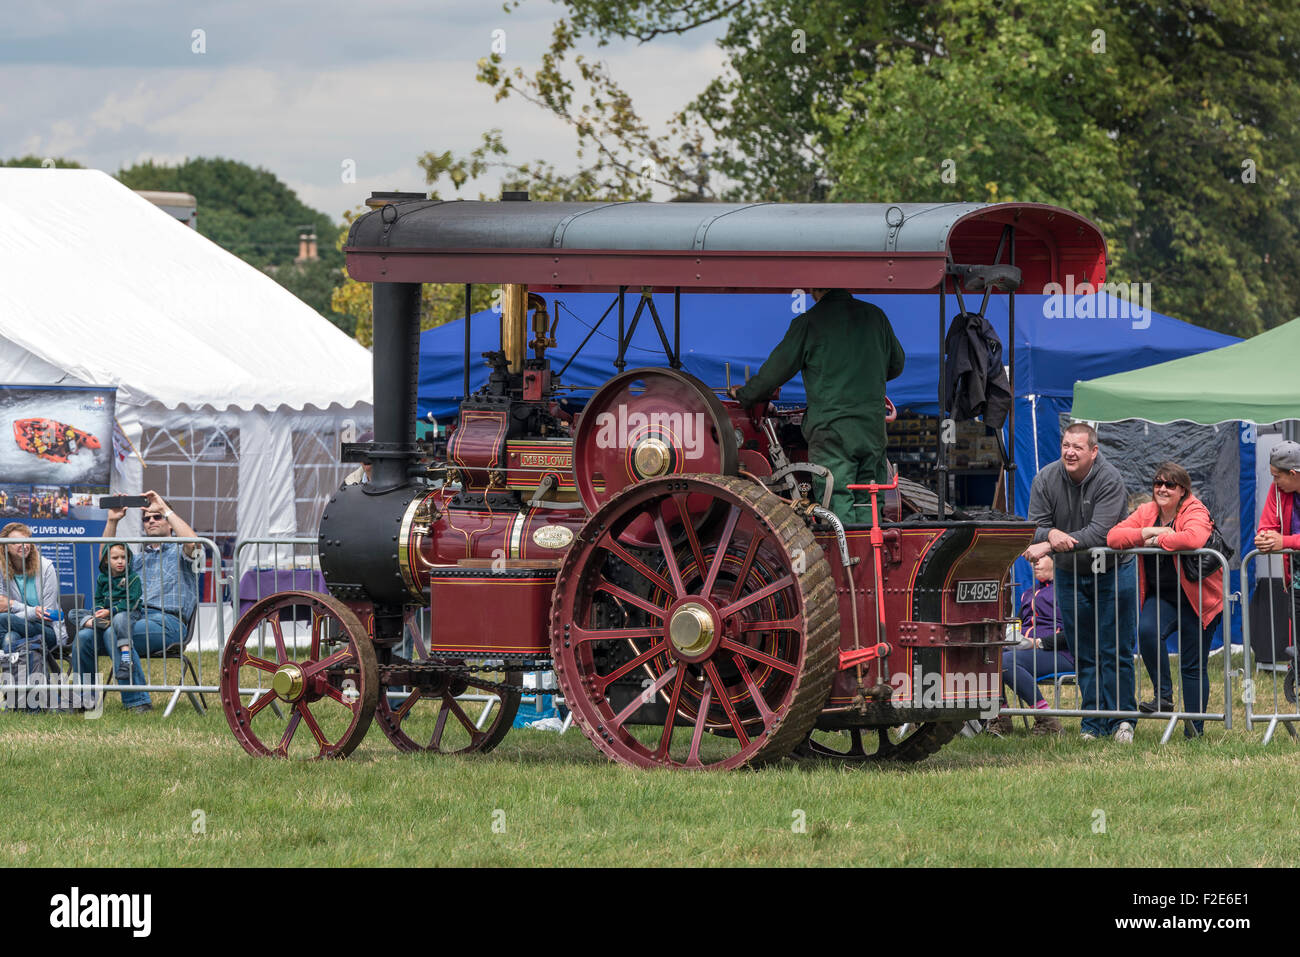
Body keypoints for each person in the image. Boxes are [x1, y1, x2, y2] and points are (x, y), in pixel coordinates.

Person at [727, 288, 904, 524]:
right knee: (869, 497)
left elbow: (773, 375)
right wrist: (864, 379)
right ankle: (871, 555)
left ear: (814, 288)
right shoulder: (876, 316)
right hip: (871, 429)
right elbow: (897, 364)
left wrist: (746, 394)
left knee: (838, 497)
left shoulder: (808, 322)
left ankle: (848, 559)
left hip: (832, 430)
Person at [1023, 423, 1136, 742]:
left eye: (1078, 447)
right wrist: (1049, 535)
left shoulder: (1110, 479)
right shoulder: (1045, 478)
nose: (1070, 452)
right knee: (1084, 650)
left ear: (1094, 451)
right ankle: (1092, 723)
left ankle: (1122, 721)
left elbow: (1101, 533)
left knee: (1115, 649)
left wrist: (1049, 543)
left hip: (1115, 571)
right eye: (1066, 445)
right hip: (1072, 573)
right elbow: (1035, 526)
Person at [1107, 461, 1224, 738]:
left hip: (1199, 599)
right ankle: (1164, 695)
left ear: (1182, 490)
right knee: (1147, 631)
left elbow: (1194, 537)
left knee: (1192, 665)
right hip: (1163, 597)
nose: (1162, 488)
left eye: (1169, 484)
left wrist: (1154, 543)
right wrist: (1152, 532)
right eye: (1157, 483)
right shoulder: (1147, 512)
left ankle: (1194, 730)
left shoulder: (1195, 509)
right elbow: (1113, 537)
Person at [72, 491, 199, 714]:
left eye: (156, 517)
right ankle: (86, 702)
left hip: (168, 622)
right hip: (132, 618)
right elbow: (106, 561)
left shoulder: (181, 552)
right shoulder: (136, 559)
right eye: (146, 518)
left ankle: (138, 702)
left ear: (169, 523)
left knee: (115, 633)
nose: (150, 520)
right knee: (84, 637)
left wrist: (165, 509)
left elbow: (194, 544)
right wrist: (112, 520)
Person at [988, 554, 1069, 735]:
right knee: (990, 656)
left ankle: (1047, 720)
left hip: (1061, 653)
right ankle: (1001, 719)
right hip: (1026, 652)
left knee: (1006, 662)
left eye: (1041, 558)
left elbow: (1075, 633)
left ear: (1056, 560)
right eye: (1033, 560)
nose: (1035, 563)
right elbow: (1016, 624)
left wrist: (1038, 643)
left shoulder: (1067, 592)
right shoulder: (1028, 593)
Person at [0, 522, 63, 710]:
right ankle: (24, 705)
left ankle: (16, 701)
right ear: (5, 547)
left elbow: (47, 614)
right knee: (10, 638)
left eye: (27, 541)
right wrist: (29, 610)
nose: (24, 545)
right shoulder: (1, 570)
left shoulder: (46, 567)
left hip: (48, 632)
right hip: (17, 632)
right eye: (16, 542)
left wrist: (12, 606)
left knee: (4, 620)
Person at [77, 543, 145, 686]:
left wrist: (111, 611)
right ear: (107, 560)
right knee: (74, 613)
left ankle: (126, 659)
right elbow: (98, 598)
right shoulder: (102, 578)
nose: (120, 561)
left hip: (127, 612)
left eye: (123, 557)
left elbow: (131, 601)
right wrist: (100, 609)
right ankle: (100, 623)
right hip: (107, 614)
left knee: (120, 619)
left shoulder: (133, 578)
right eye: (115, 558)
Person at [1256, 440, 1300, 648]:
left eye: (1277, 476)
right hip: (1295, 579)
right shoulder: (1278, 491)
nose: (1274, 481)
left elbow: (1281, 539)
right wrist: (1264, 539)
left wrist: (1284, 541)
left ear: (1293, 473)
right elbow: (1266, 525)